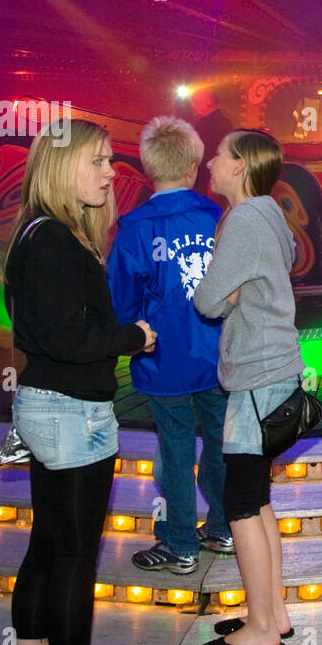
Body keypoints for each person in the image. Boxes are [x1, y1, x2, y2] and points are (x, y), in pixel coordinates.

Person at [0, 119, 156, 645]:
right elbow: (71, 339)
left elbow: (45, 332)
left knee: (48, 546)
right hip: (71, 412)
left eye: (110, 160)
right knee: (72, 556)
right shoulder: (55, 242)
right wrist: (133, 337)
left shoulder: (38, 233)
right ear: (63, 166)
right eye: (98, 160)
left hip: (50, 408)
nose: (111, 172)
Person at [192, 129, 303, 645]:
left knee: (240, 501)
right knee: (256, 499)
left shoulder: (243, 220)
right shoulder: (270, 213)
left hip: (257, 378)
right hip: (272, 372)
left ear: (239, 166)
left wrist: (220, 289)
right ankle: (272, 613)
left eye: (217, 155)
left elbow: (210, 301)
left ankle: (261, 627)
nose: (209, 162)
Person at [108, 117, 232, 576]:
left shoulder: (135, 229)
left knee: (176, 452)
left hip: (164, 361)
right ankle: (221, 527)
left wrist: (133, 336)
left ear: (146, 168)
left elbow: (121, 301)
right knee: (220, 445)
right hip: (218, 357)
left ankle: (180, 544)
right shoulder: (215, 216)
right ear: (196, 166)